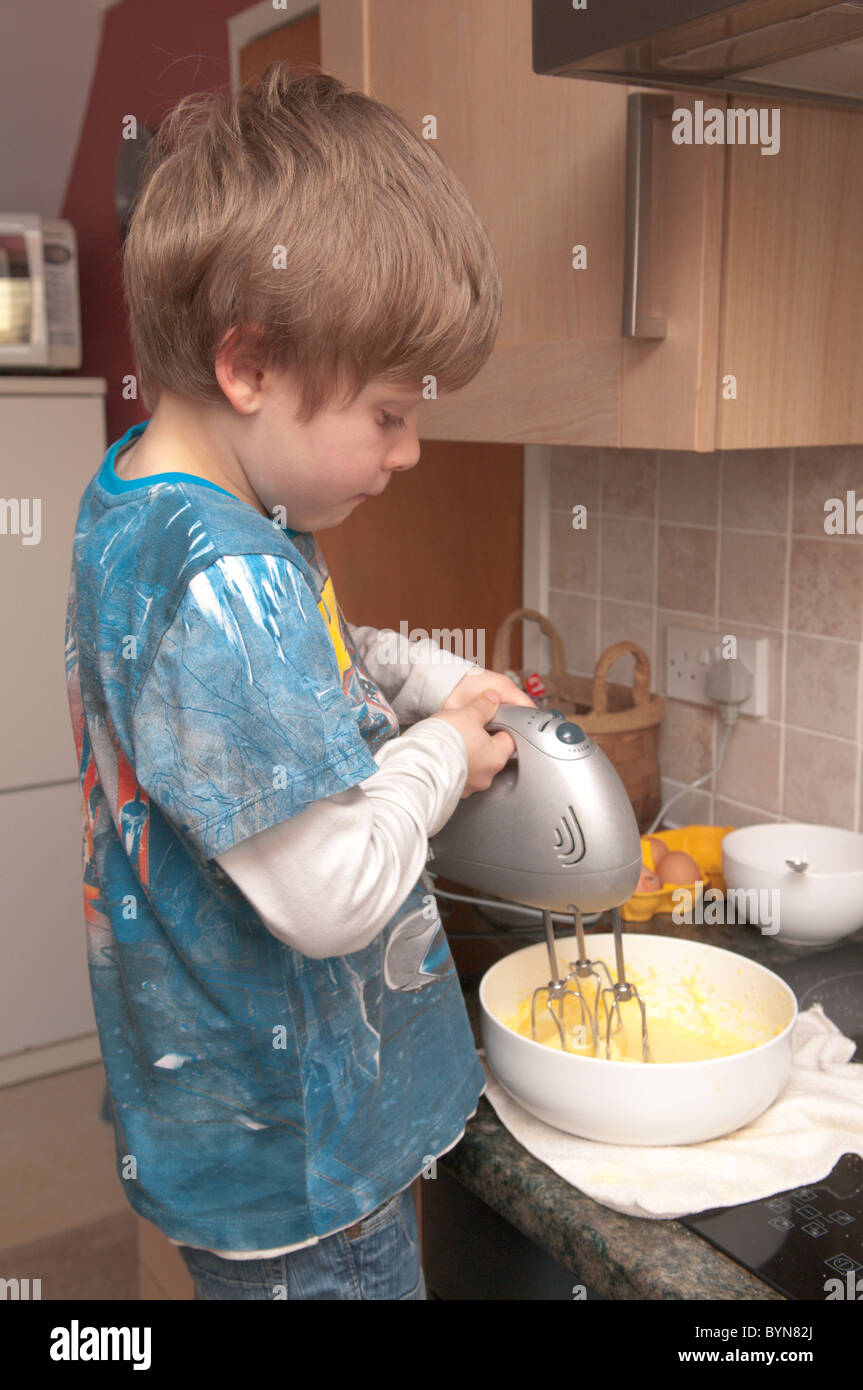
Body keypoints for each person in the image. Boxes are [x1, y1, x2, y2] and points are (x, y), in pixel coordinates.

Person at [65, 63, 534, 1300]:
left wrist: (423, 670)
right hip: (307, 1168)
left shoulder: (156, 503)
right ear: (250, 365)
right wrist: (442, 756)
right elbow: (330, 897)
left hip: (231, 1136)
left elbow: (304, 652)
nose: (411, 449)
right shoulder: (223, 579)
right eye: (387, 413)